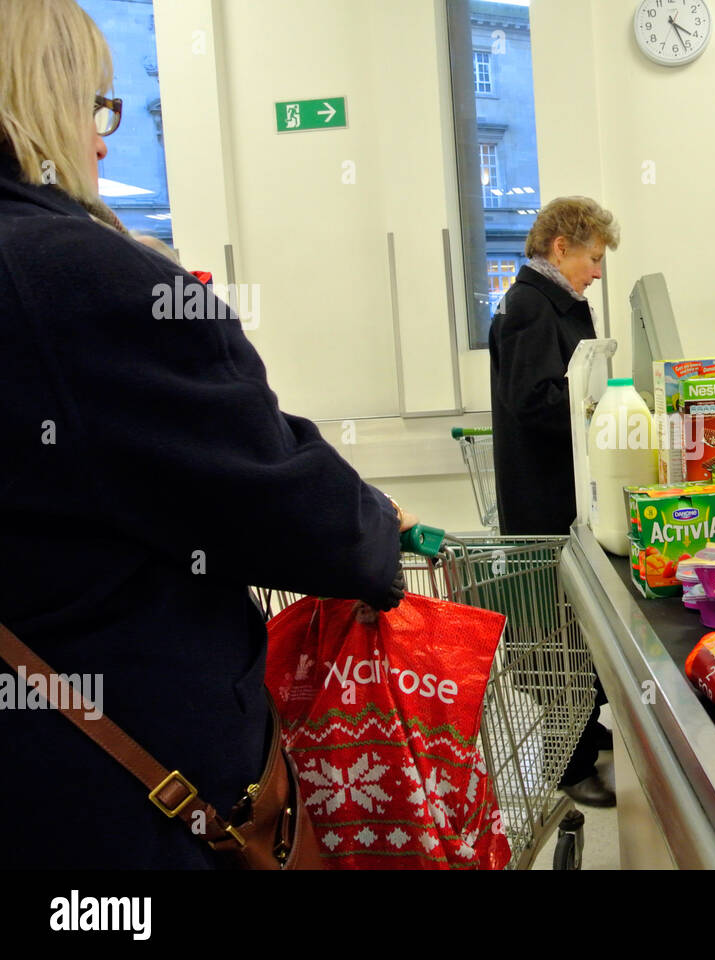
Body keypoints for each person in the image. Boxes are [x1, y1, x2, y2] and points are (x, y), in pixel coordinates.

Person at [0, 0, 416, 868]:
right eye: (92, 104)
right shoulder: (72, 275)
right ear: (38, 98)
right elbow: (283, 506)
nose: (102, 138)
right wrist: (375, 524)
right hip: (121, 807)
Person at [489, 196, 620, 807]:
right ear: (559, 247)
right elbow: (534, 403)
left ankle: (585, 734)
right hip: (543, 501)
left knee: (576, 628)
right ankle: (567, 764)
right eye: (591, 259)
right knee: (560, 636)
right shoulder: (527, 308)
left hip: (563, 494)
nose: (596, 272)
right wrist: (598, 413)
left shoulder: (555, 303)